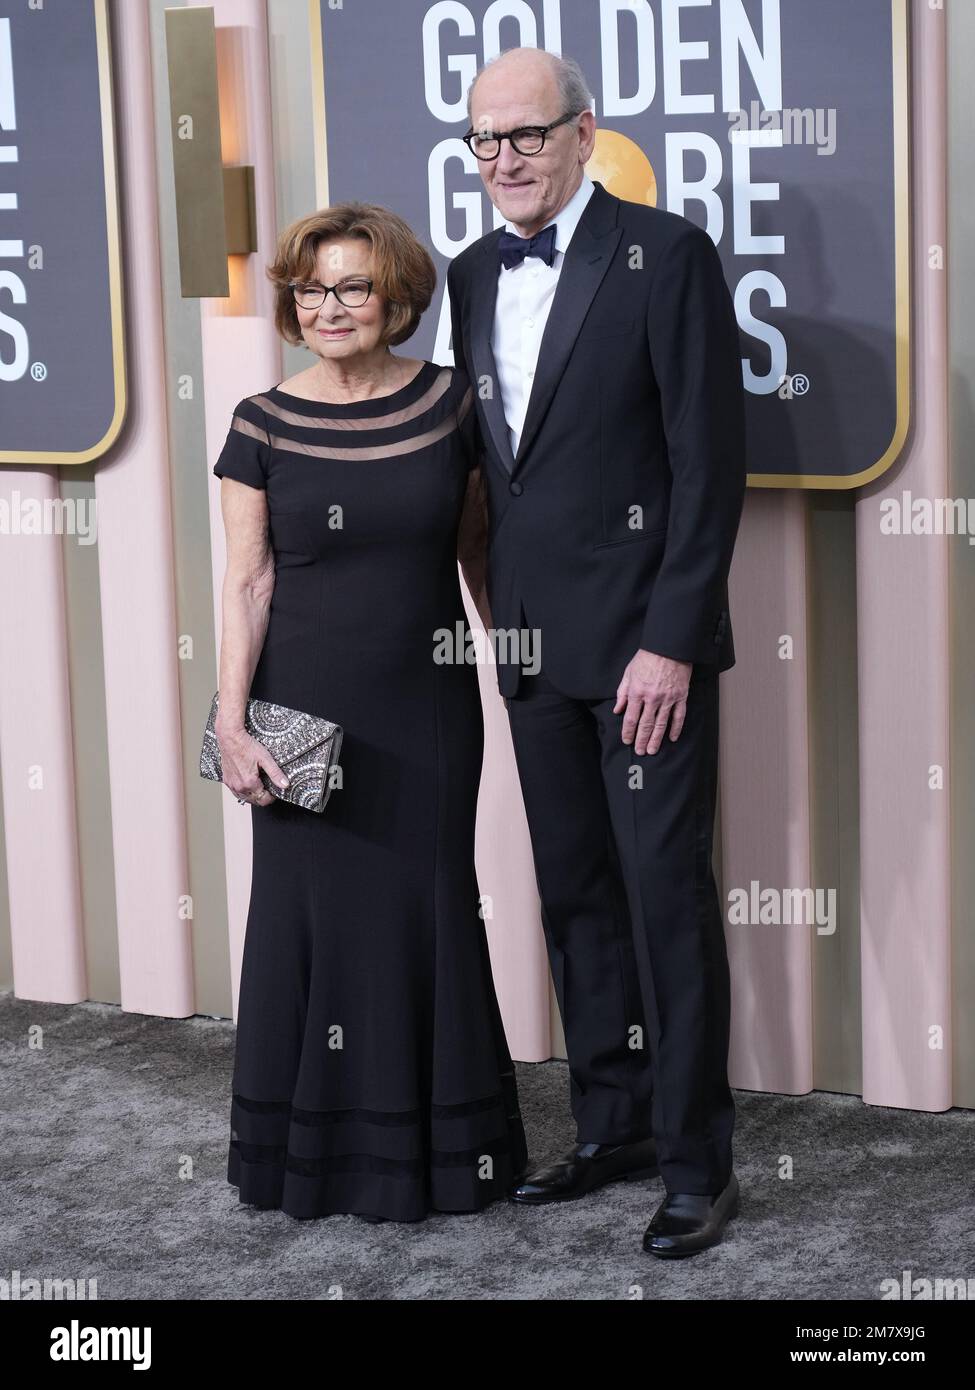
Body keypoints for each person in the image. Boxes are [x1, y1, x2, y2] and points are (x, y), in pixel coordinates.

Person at [447, 47, 747, 1256]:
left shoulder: (665, 255)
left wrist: (671, 644)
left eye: (528, 134)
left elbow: (707, 466)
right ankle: (614, 1124)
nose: (506, 159)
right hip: (529, 650)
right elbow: (488, 474)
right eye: (486, 141)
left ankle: (697, 1162)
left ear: (583, 133)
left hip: (642, 656)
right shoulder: (470, 275)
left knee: (664, 898)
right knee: (576, 901)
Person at [212, 201, 527, 1223]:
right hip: (302, 708)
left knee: (429, 907)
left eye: (352, 286)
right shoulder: (260, 422)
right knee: (308, 922)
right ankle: (316, 1158)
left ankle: (444, 1154)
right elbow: (248, 584)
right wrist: (230, 720)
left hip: (427, 702)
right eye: (311, 289)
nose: (329, 306)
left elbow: (477, 552)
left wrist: (518, 663)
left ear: (396, 299)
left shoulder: (450, 407)